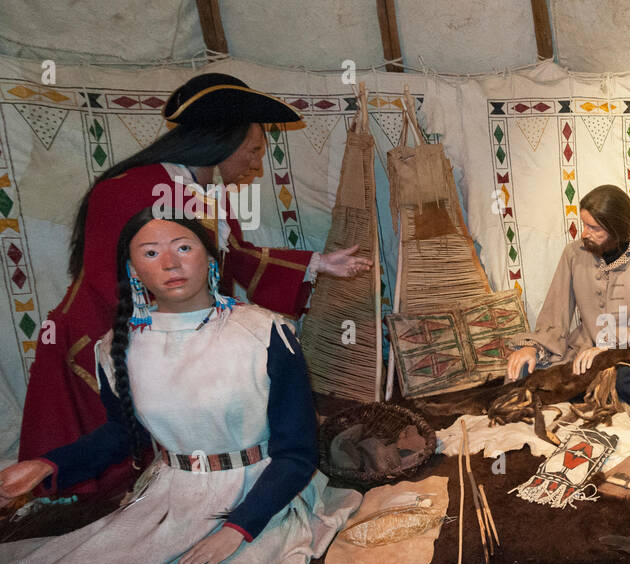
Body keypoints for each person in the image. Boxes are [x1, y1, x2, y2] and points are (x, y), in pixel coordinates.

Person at [0, 210, 360, 564]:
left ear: (210, 258)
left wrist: (235, 532)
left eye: (183, 247)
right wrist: (47, 465)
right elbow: (121, 435)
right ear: (135, 271)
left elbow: (296, 453)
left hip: (262, 492)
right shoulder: (118, 347)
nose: (170, 263)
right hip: (171, 498)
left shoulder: (263, 332)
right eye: (151, 253)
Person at [19, 72, 371, 495]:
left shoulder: (207, 196)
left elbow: (234, 257)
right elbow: (105, 275)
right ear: (224, 139)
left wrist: (318, 262)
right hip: (109, 327)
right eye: (254, 149)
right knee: (120, 457)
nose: (257, 163)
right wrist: (176, 332)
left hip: (174, 327)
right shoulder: (126, 190)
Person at [505, 184, 630, 411]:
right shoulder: (573, 254)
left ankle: (584, 389)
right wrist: (533, 348)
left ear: (617, 228)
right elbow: (555, 314)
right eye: (584, 225)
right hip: (583, 352)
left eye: (594, 228)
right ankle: (589, 388)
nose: (584, 233)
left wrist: (610, 349)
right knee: (522, 371)